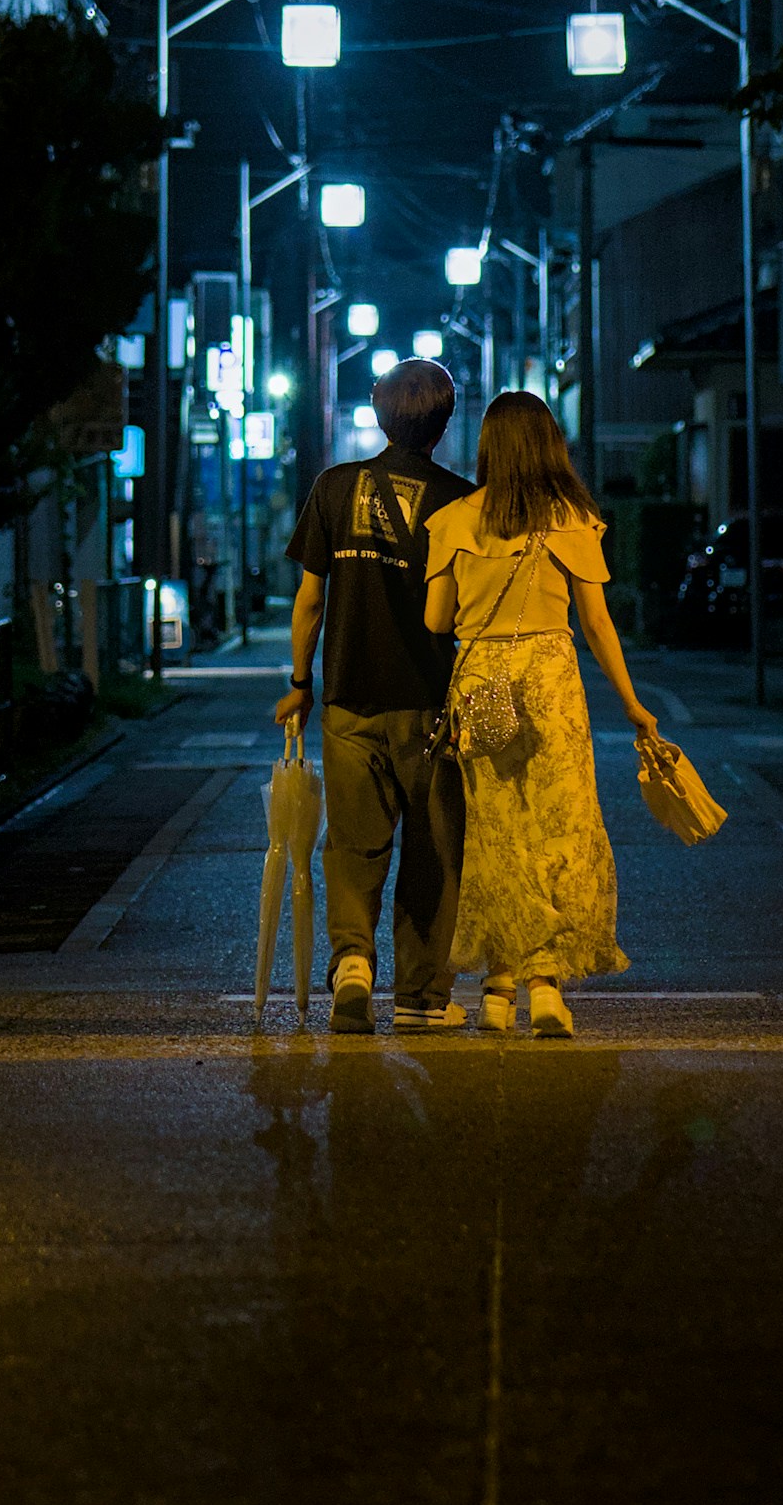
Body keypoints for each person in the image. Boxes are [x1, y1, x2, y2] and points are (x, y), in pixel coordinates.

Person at [419, 389, 659, 1039]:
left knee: (497, 838)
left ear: (489, 445)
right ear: (550, 444)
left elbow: (436, 620)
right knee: (557, 832)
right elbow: (599, 625)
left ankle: (498, 988)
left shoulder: (456, 520)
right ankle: (547, 986)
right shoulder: (572, 520)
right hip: (552, 684)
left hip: (482, 688)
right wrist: (635, 707)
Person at [273, 359, 474, 1032]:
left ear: (377, 409)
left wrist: (301, 683)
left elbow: (309, 602)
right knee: (432, 844)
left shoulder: (333, 488)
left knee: (355, 841)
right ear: (443, 423)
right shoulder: (459, 501)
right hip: (429, 701)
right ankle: (420, 995)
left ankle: (353, 964)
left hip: (348, 698)